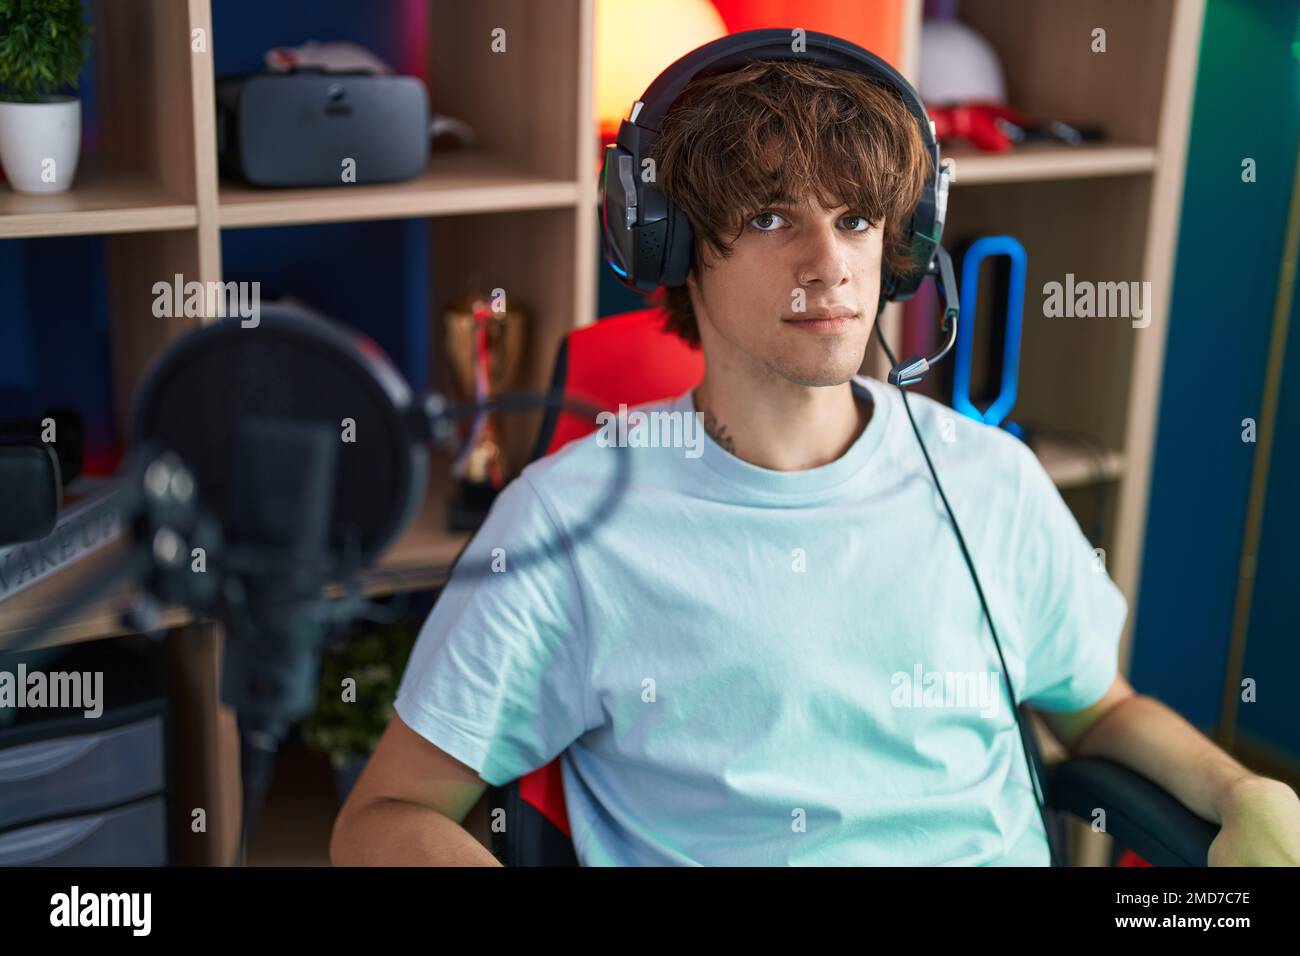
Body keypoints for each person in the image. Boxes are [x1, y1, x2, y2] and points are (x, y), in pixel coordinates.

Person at [331, 56, 1300, 867]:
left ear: (901, 237)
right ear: (669, 245)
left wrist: (1242, 790)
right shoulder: (565, 519)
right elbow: (385, 817)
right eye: (768, 217)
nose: (830, 263)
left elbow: (1097, 711)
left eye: (855, 218)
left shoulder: (991, 483)